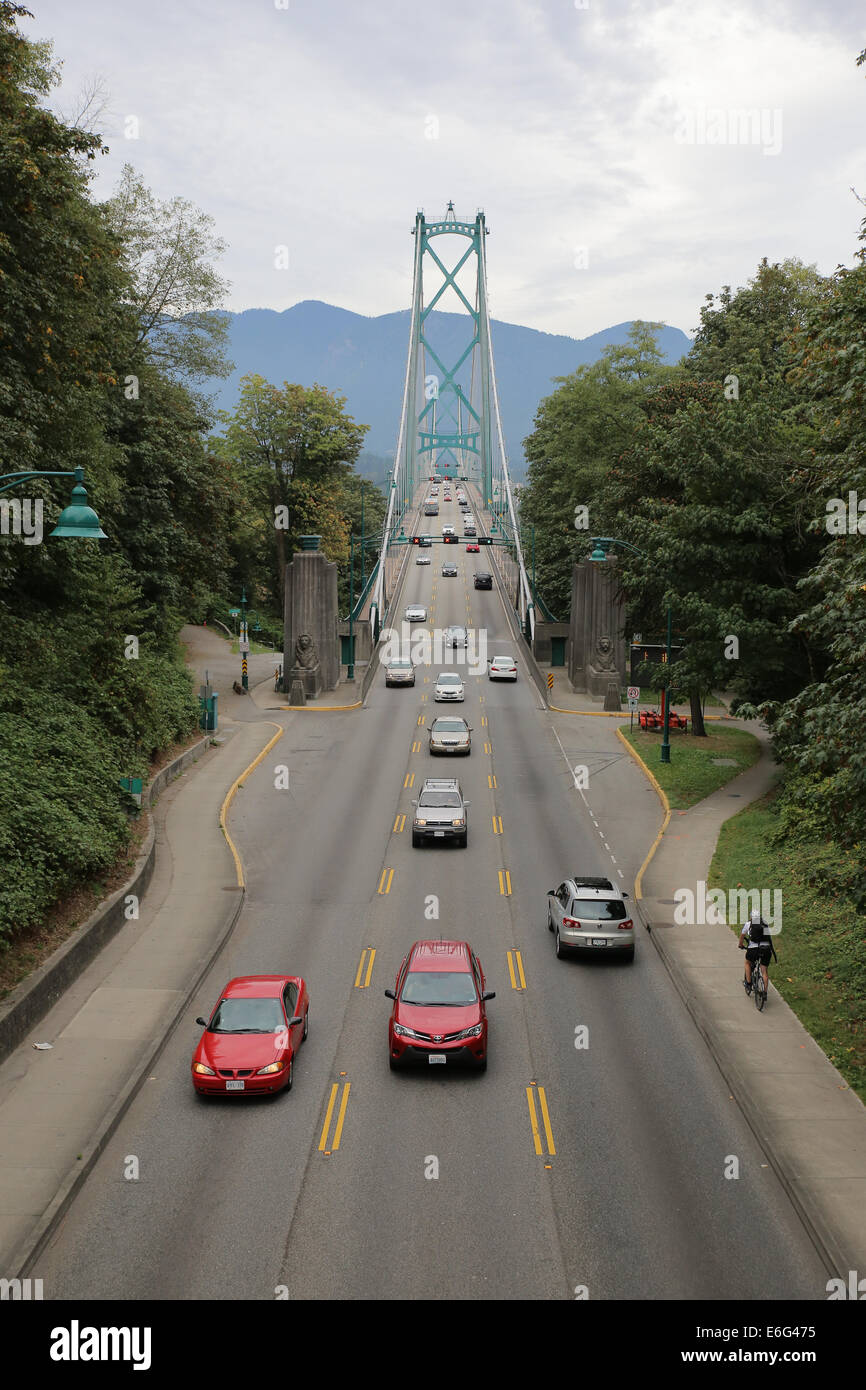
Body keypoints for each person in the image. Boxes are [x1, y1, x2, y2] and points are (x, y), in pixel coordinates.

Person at [738, 907, 775, 995]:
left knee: (747, 963)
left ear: (751, 917)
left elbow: (742, 936)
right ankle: (765, 993)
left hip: (753, 949)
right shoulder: (765, 924)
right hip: (766, 949)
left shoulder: (748, 924)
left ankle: (749, 984)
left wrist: (740, 944)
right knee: (764, 971)